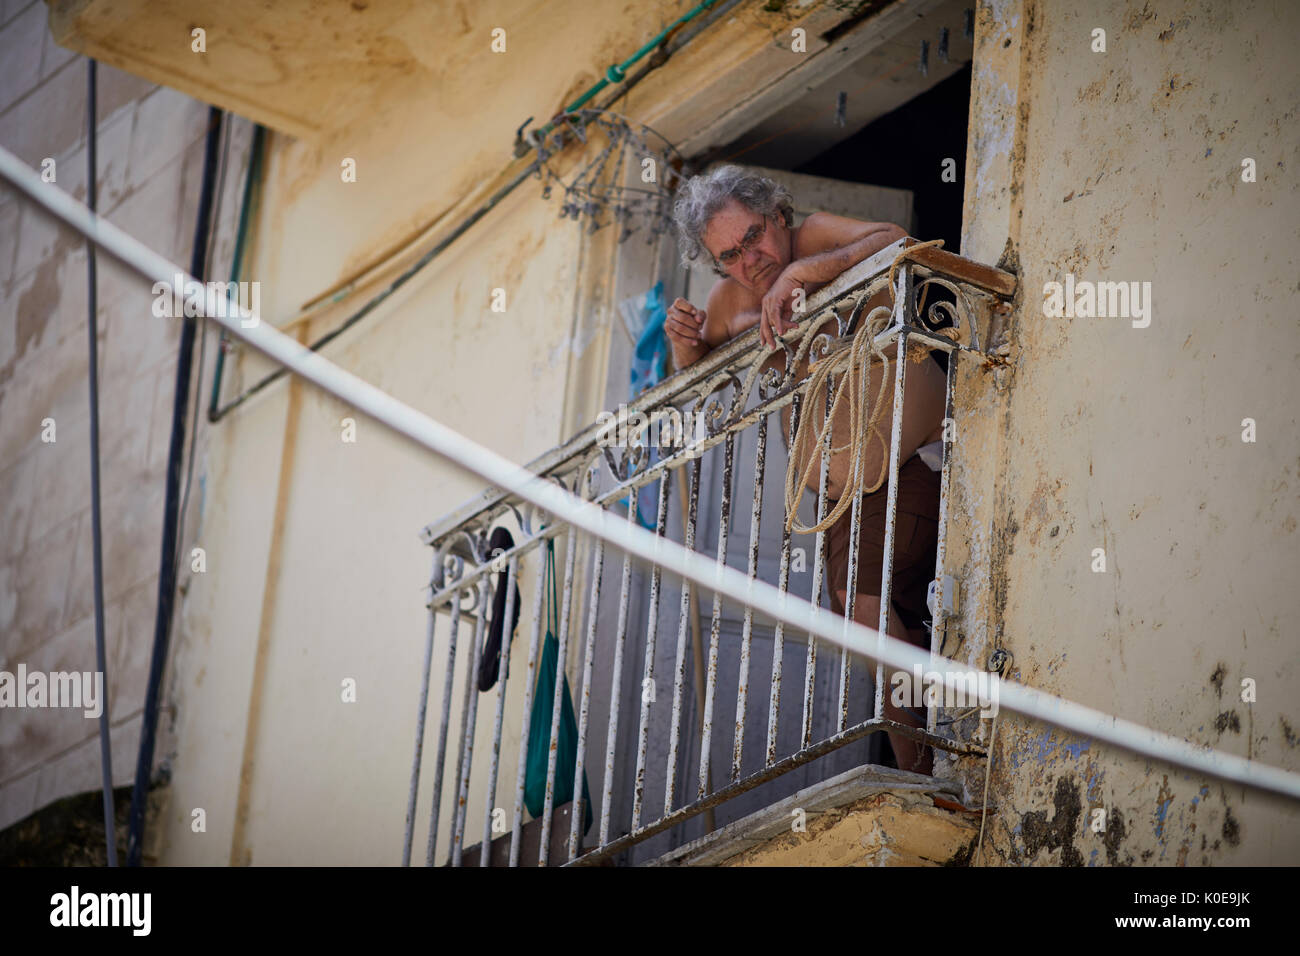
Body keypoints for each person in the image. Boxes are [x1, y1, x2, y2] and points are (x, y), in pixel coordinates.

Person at [667, 165, 945, 774]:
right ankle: (922, 767)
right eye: (730, 255)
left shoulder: (816, 235)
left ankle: (927, 770)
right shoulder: (727, 298)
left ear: (779, 215)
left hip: (911, 463)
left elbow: (897, 240)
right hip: (842, 498)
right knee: (868, 619)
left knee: (868, 611)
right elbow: (695, 379)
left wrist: (801, 272)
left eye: (755, 236)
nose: (751, 259)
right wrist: (687, 346)